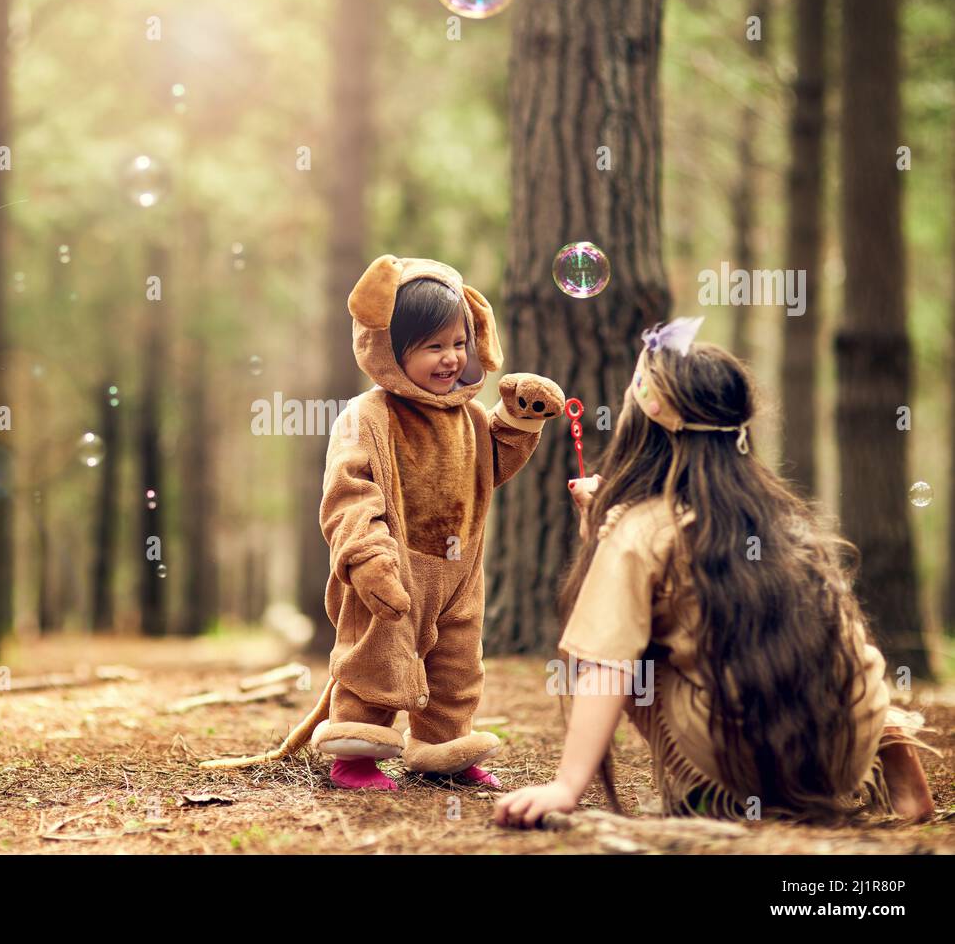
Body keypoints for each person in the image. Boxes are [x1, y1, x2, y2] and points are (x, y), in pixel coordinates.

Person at [494, 317, 936, 827]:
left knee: (631, 646)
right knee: (817, 631)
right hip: (842, 751)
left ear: (645, 424)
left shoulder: (637, 531)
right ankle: (901, 773)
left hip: (741, 765)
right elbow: (852, 648)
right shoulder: (777, 515)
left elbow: (608, 662)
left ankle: (715, 799)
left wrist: (566, 786)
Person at [202, 253, 564, 790]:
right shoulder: (368, 416)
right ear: (391, 351)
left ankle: (443, 748)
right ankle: (354, 755)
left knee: (458, 667)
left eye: (458, 344)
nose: (450, 359)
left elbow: (489, 470)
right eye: (432, 347)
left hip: (458, 571)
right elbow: (348, 494)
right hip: (390, 566)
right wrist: (368, 558)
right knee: (376, 659)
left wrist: (518, 421)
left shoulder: (467, 417)